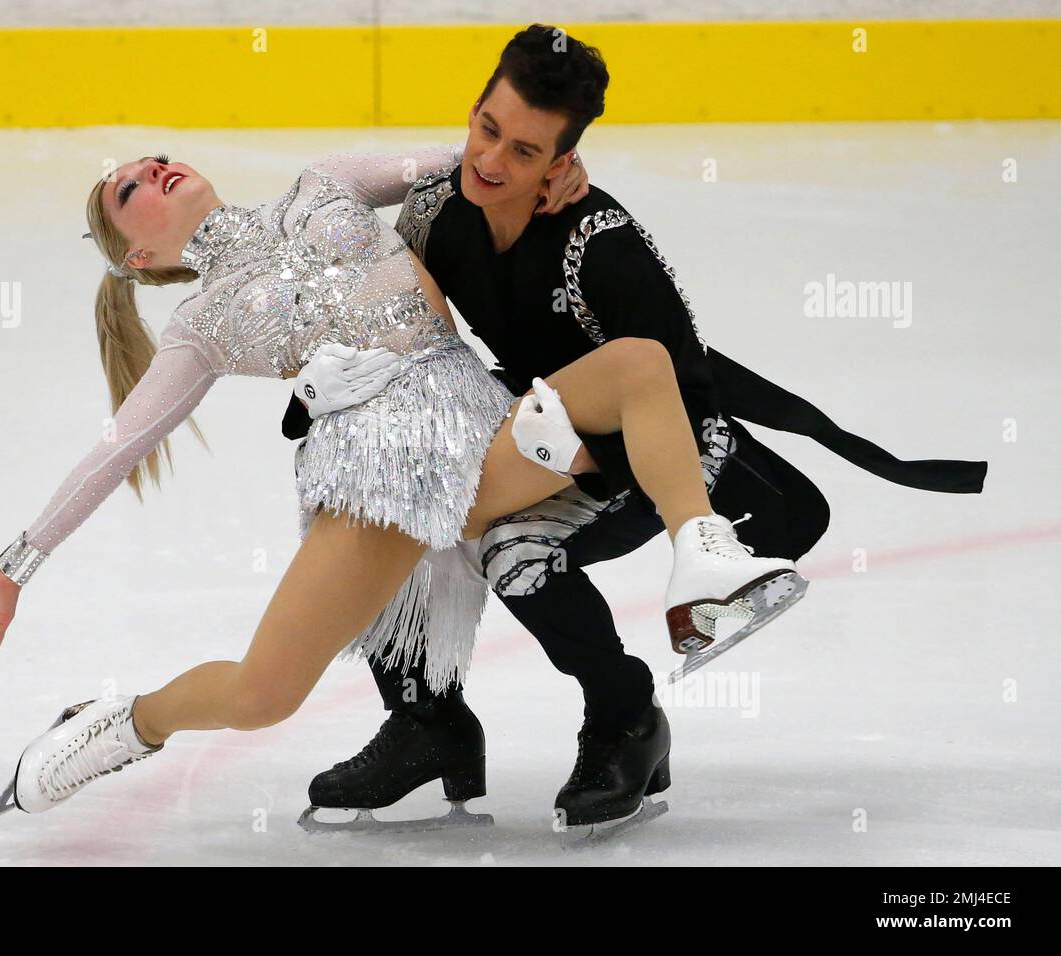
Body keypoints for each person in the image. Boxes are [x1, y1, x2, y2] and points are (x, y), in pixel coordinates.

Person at [0, 140, 804, 818]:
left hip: (478, 433)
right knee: (262, 695)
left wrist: (553, 165)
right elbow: (117, 447)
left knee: (637, 364)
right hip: (379, 478)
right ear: (140, 255)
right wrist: (16, 563)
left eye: (151, 158)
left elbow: (475, 159)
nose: (151, 170)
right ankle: (113, 725)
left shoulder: (322, 183)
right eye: (128, 189)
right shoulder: (200, 324)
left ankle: (706, 567)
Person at [283, 23, 989, 831]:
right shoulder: (435, 213)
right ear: (473, 110)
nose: (492, 162)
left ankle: (626, 719)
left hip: (670, 447)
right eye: (487, 131)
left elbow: (679, 393)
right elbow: (363, 276)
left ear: (562, 162)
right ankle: (427, 722)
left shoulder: (602, 246)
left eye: (524, 153)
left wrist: (577, 463)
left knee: (518, 550)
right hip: (546, 425)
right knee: (380, 486)